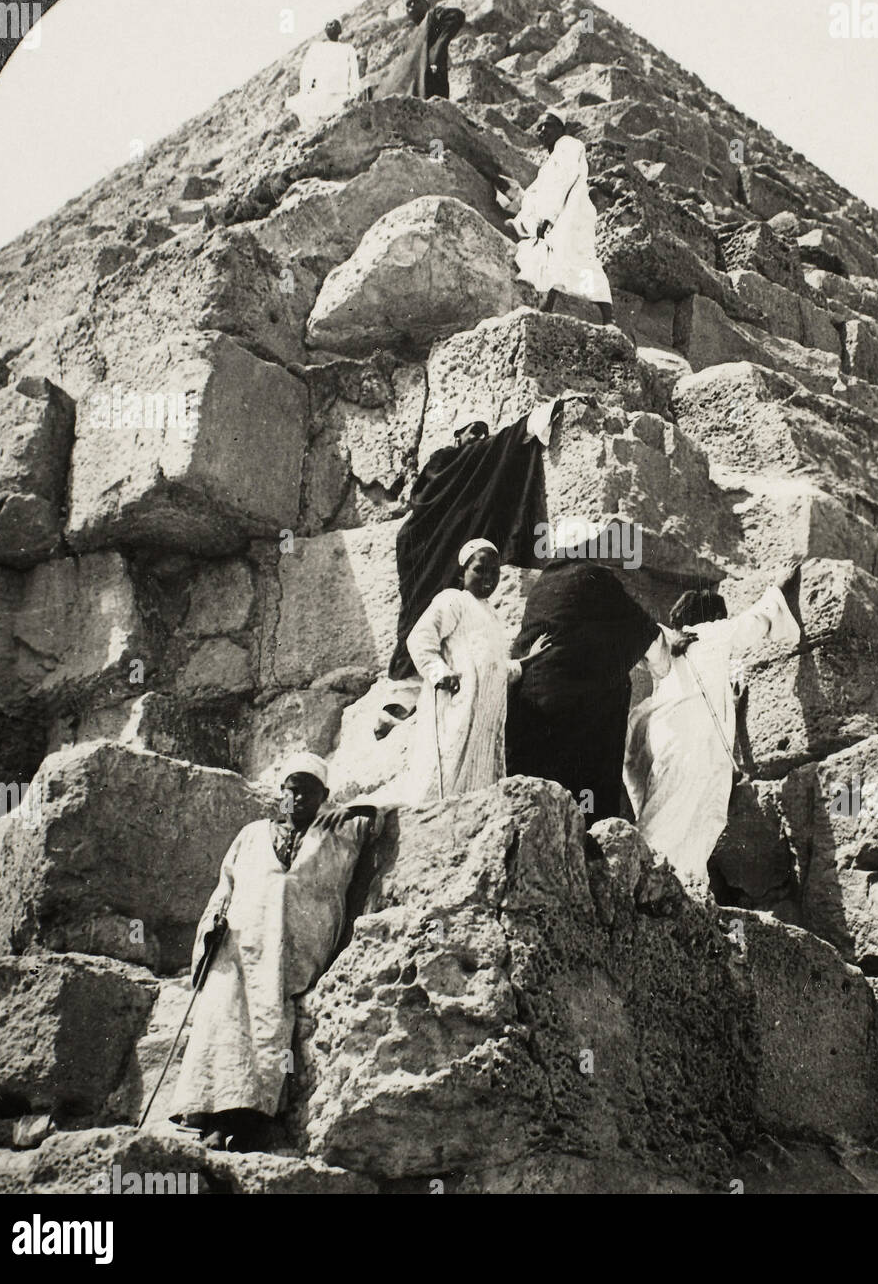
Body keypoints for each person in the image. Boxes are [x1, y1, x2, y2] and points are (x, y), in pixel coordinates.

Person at [170, 753, 384, 1151]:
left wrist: (343, 811)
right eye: (291, 789)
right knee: (222, 1019)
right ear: (280, 794)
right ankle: (207, 1115)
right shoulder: (252, 834)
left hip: (293, 947)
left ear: (324, 795)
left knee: (270, 1024)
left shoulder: (341, 830)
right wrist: (212, 926)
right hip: (238, 942)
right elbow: (225, 888)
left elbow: (384, 812)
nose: (297, 796)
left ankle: (244, 1122)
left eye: (307, 790)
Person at [379, 396, 588, 732]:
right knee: (419, 613)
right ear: (458, 435)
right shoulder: (444, 462)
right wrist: (521, 429)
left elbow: (493, 465)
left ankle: (421, 686)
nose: (479, 438)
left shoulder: (478, 468)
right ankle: (404, 691)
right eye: (472, 431)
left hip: (454, 552)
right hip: (425, 547)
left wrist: (532, 425)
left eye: (484, 432)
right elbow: (440, 489)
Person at [623, 562, 804, 886]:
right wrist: (779, 587)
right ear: (713, 617)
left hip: (667, 735)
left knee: (672, 808)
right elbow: (756, 621)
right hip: (688, 742)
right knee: (688, 816)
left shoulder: (672, 646)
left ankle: (669, 885)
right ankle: (644, 881)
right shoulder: (710, 634)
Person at [507, 527, 690, 821]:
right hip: (574, 711)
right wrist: (667, 654)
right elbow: (639, 629)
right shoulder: (594, 578)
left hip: (529, 708)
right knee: (584, 793)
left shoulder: (544, 584)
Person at [401, 539, 551, 804]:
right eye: (480, 570)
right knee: (442, 776)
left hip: (484, 717)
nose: (488, 578)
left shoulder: (492, 616)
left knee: (476, 784)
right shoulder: (453, 600)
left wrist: (528, 660)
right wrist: (439, 672)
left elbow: (496, 668)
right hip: (455, 706)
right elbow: (420, 638)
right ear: (463, 573)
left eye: (494, 572)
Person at [502, 112, 614, 325]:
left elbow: (565, 180)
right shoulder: (552, 159)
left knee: (582, 262)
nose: (542, 131)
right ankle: (550, 305)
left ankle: (609, 318)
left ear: (562, 130)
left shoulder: (568, 145)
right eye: (540, 127)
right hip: (563, 215)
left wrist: (548, 216)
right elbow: (538, 192)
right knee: (558, 259)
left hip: (573, 214)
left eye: (549, 126)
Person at [366, 0, 465, 99]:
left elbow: (455, 15)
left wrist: (439, 47)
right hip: (418, 88)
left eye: (416, 1)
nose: (412, 5)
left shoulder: (432, 16)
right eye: (408, 4)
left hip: (433, 78)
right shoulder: (410, 38)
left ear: (427, 5)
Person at [284, 20, 361, 127]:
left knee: (293, 103)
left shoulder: (317, 48)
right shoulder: (349, 49)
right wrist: (352, 97)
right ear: (340, 32)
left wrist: (306, 92)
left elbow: (306, 74)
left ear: (326, 32)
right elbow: (354, 79)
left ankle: (314, 127)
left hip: (321, 99)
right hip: (341, 100)